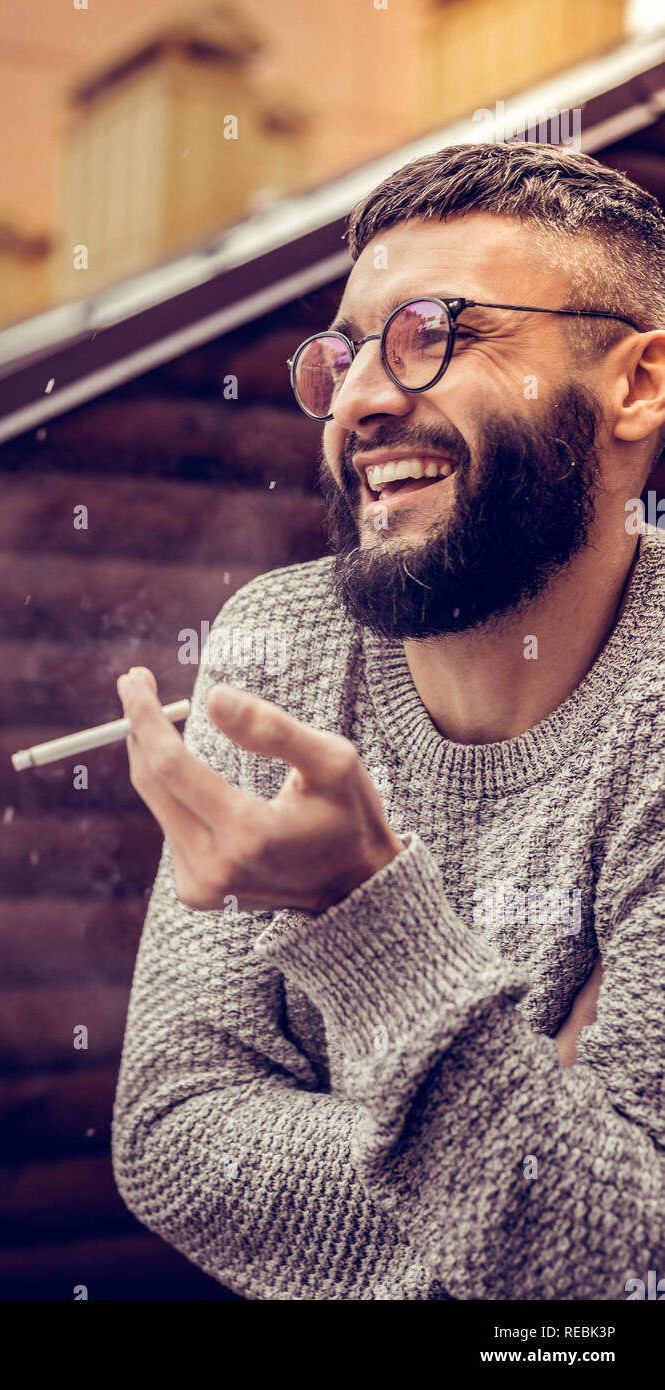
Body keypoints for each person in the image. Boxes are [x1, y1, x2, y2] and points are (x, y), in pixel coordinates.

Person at [111, 142, 665, 1300]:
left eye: (435, 335)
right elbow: (171, 1140)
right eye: (345, 353)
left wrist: (362, 918)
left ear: (636, 386)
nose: (359, 399)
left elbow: (621, 1264)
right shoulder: (278, 647)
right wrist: (524, 1144)